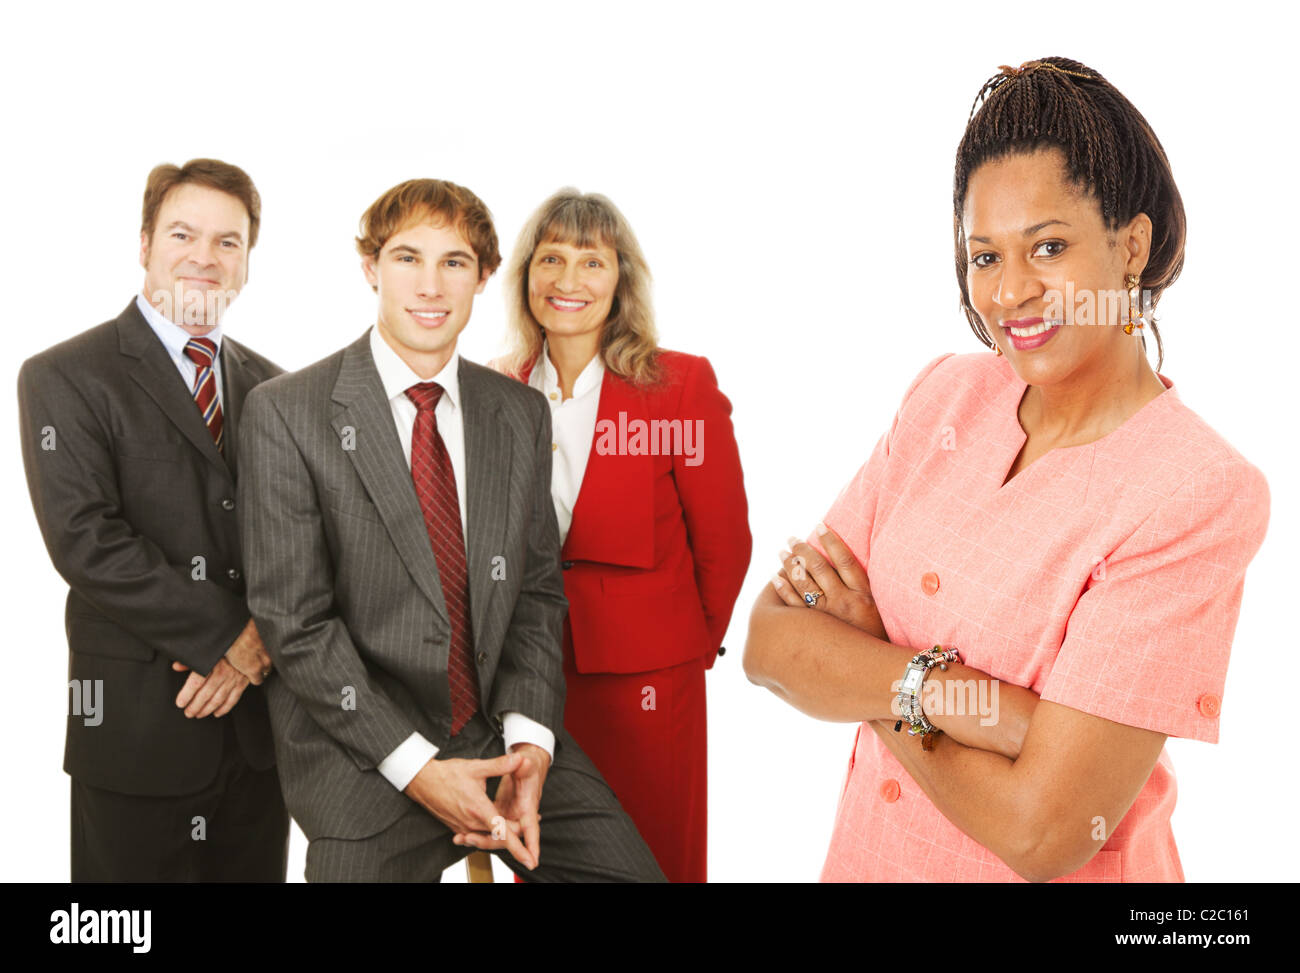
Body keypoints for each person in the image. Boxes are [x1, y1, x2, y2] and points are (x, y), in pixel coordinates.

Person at [743, 57, 1271, 882]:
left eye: (1048, 246)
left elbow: (1044, 831)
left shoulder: (1194, 490)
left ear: (1131, 246)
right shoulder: (946, 396)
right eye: (984, 256)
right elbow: (772, 641)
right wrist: (990, 713)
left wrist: (879, 669)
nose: (1010, 292)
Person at [237, 177, 665, 882]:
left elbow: (533, 593)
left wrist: (530, 743)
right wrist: (419, 768)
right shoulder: (288, 412)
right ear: (371, 268)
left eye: (455, 262)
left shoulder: (517, 414)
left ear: (486, 275)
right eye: (408, 258)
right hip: (365, 750)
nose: (430, 286)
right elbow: (297, 624)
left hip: (497, 731)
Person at [17, 159, 289, 881]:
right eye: (183, 233)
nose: (205, 257)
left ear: (247, 264)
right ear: (144, 244)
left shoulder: (276, 389)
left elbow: (303, 542)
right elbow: (87, 540)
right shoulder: (64, 375)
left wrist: (260, 641)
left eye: (228, 242)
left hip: (260, 735)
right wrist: (230, 635)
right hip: (137, 729)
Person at [495, 189, 751, 882]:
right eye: (550, 259)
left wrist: (686, 648)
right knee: (543, 854)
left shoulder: (678, 385)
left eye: (591, 261)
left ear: (620, 280)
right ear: (526, 276)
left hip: (650, 684)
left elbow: (725, 541)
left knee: (654, 856)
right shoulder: (496, 390)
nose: (568, 281)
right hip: (533, 680)